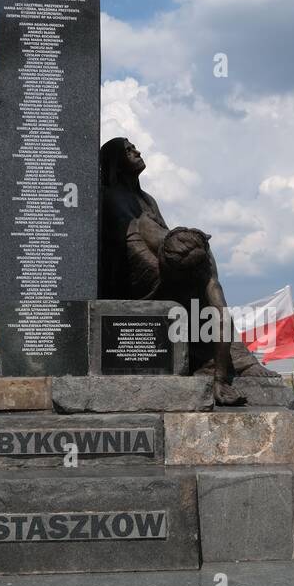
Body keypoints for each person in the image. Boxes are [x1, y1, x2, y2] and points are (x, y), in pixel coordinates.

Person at [98, 137, 275, 405]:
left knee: (199, 286)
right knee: (188, 286)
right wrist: (164, 269)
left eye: (134, 147)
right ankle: (211, 359)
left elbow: (221, 311)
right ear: (115, 162)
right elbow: (132, 241)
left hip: (165, 260)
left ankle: (228, 359)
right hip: (135, 274)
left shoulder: (148, 199)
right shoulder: (112, 196)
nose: (137, 151)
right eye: (128, 150)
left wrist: (220, 381)